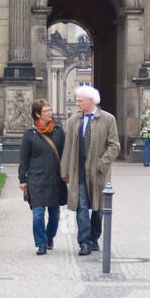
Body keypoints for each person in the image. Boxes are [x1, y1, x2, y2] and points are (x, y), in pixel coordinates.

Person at [60, 85, 120, 256]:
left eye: (80, 101)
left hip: (98, 173)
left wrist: (102, 163)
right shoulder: (73, 121)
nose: (76, 104)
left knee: (98, 209)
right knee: (81, 207)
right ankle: (84, 243)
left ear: (91, 101)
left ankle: (94, 238)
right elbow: (68, 148)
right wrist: (65, 171)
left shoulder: (108, 119)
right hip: (78, 171)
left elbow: (114, 146)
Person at [19, 99, 65, 255]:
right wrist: (23, 180)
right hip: (36, 179)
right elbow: (24, 159)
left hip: (55, 178)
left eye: (50, 110)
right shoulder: (29, 134)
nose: (50, 113)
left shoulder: (58, 131)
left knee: (54, 214)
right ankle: (41, 243)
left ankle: (49, 237)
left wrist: (67, 173)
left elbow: (65, 154)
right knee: (38, 214)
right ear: (38, 114)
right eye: (47, 111)